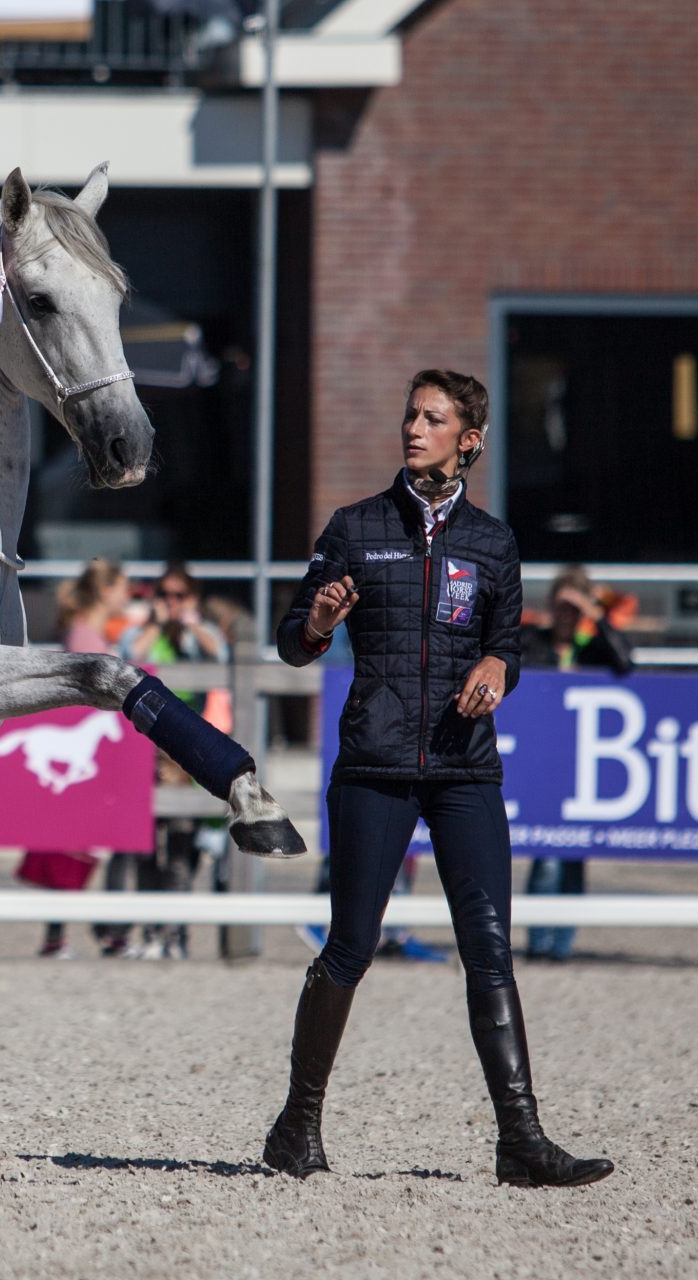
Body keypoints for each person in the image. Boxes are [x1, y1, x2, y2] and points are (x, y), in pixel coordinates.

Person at [261, 368, 613, 1187]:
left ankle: (521, 1142)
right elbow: (290, 639)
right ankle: (295, 1128)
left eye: (433, 417)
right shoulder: (355, 527)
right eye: (410, 414)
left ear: (470, 440)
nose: (414, 428)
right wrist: (316, 622)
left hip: (464, 770)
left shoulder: (494, 541)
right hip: (374, 768)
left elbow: (511, 647)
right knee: (349, 948)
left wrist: (497, 661)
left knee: (490, 954)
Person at [110, 564, 229, 960]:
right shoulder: (139, 633)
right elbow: (129, 658)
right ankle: (150, 932)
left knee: (180, 844)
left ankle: (175, 933)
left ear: (192, 599)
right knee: (144, 847)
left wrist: (189, 625)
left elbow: (222, 658)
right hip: (144, 750)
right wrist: (156, 625)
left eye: (180, 595)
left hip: (185, 752)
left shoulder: (203, 635)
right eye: (164, 594)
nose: (171, 603)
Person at [520, 566, 636, 962]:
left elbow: (626, 662)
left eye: (574, 607)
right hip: (542, 759)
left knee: (573, 857)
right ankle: (538, 942)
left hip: (582, 765)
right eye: (561, 605)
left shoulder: (594, 650)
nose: (566, 615)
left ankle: (562, 945)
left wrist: (596, 612)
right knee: (545, 855)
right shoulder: (531, 643)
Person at [19, 559, 129, 958]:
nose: (127, 596)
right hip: (93, 757)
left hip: (97, 753)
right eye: (123, 588)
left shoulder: (90, 632)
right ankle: (91, 933)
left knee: (83, 845)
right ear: (106, 591)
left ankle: (94, 932)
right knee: (73, 845)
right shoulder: (85, 635)